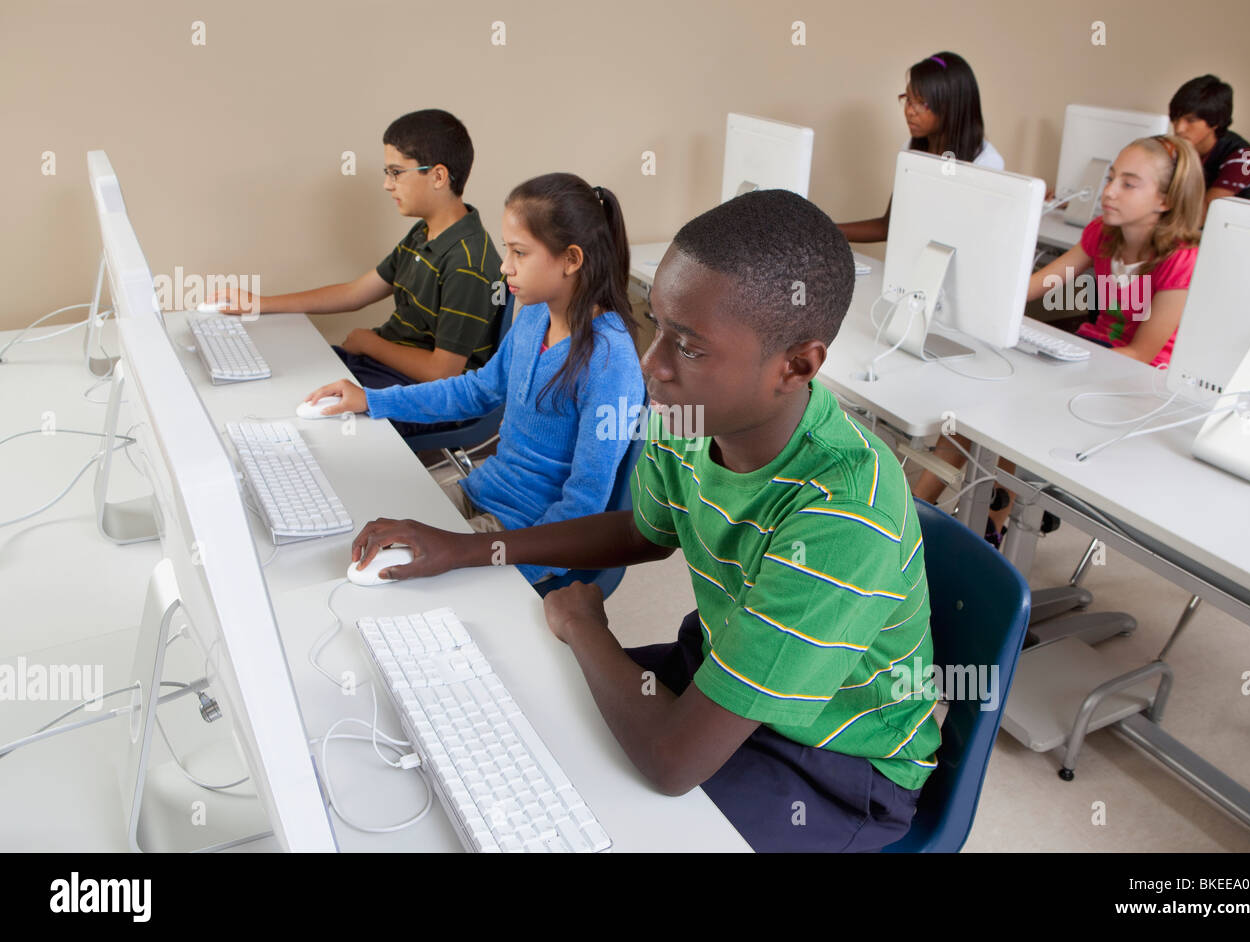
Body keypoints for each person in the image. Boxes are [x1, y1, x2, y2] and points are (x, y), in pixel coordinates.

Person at [350, 190, 941, 852]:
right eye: (655, 325)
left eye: (686, 347)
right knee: (508, 721)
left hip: (833, 762)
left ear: (797, 366)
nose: (651, 366)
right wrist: (468, 550)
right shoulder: (692, 419)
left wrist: (584, 625)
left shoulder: (842, 514)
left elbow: (672, 761)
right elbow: (643, 531)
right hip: (717, 669)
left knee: (600, 823)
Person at [306, 173, 644, 584]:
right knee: (353, 536)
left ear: (572, 259)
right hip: (480, 492)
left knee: (383, 578)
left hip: (522, 534)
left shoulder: (610, 360)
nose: (505, 267)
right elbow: (478, 390)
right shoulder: (536, 313)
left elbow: (584, 503)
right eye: (507, 249)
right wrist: (372, 399)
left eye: (519, 253)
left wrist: (503, 575)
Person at [914, 135, 1203, 540]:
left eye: (1128, 183)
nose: (1109, 190)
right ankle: (920, 512)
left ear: (1165, 201)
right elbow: (1032, 289)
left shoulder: (1181, 262)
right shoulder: (1104, 233)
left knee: (1012, 410)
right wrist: (973, 283)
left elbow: (1141, 354)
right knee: (980, 408)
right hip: (1095, 355)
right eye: (1111, 177)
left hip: (1140, 386)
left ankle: (986, 520)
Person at [212, 110, 503, 436]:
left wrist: (370, 344)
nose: (387, 184)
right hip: (382, 367)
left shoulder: (468, 262)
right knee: (282, 380)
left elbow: (442, 374)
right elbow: (354, 293)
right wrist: (259, 303)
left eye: (396, 173)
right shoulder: (423, 235)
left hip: (419, 392)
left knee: (309, 417)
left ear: (438, 176)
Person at [838, 51, 1003, 244]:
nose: (909, 111)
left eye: (921, 103)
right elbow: (889, 226)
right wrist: (823, 229)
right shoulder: (911, 149)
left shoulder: (986, 163)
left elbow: (974, 242)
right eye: (908, 99)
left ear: (952, 106)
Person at [1169, 75, 1250, 221]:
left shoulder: (1247, 157)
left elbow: (1203, 216)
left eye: (1191, 120)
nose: (1179, 128)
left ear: (1215, 121)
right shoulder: (1176, 147)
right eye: (1175, 118)